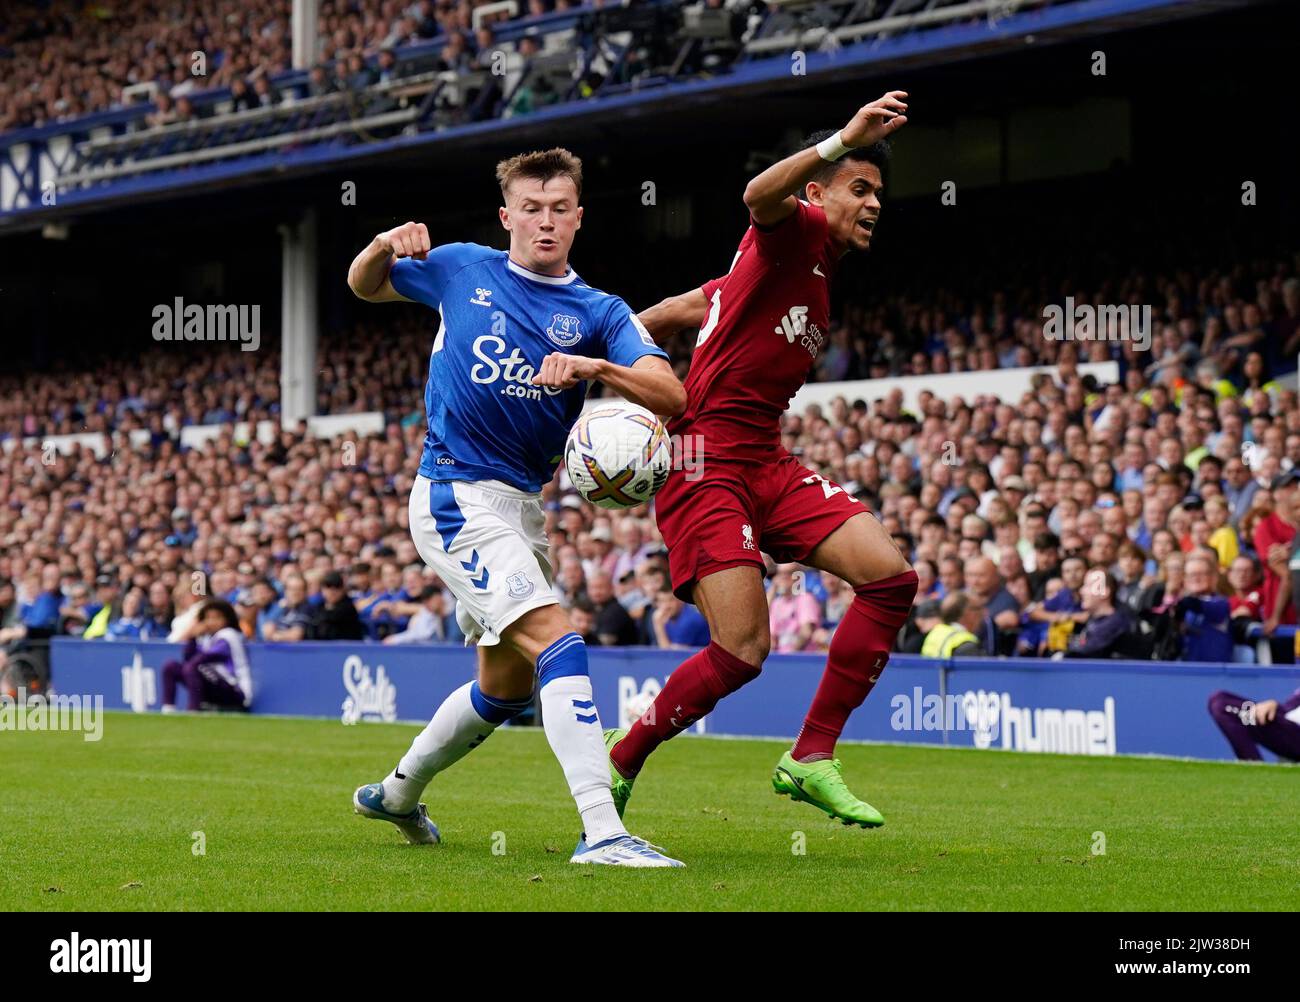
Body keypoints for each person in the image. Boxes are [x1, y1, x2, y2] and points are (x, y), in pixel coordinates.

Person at [344, 148, 686, 867]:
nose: (545, 221)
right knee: (561, 642)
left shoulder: (600, 312)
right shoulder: (463, 266)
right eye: (531, 208)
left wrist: (597, 368)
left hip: (521, 506)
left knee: (503, 687)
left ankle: (398, 794)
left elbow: (670, 396)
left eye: (560, 208)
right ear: (507, 217)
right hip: (453, 491)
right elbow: (365, 286)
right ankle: (604, 832)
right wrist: (382, 244)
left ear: (579, 217)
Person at [612, 91, 917, 829]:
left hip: (764, 461)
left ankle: (810, 756)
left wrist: (624, 331)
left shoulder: (808, 272)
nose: (874, 201)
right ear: (818, 192)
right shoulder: (795, 230)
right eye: (859, 187)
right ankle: (623, 753)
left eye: (880, 192)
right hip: (702, 459)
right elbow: (756, 194)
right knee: (744, 650)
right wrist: (842, 137)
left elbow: (700, 302)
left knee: (890, 578)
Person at [160, 600, 253, 713]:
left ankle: (193, 710)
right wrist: (193, 637)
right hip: (214, 688)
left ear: (227, 619)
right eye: (208, 618)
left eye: (217, 618)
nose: (211, 622)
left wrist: (193, 661)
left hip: (235, 691)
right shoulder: (207, 638)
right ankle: (168, 709)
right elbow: (188, 658)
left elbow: (206, 657)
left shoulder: (229, 635)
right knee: (171, 666)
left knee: (193, 666)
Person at [1207, 687, 1300, 762]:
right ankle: (1254, 767)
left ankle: (1255, 770)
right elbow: (1291, 709)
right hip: (1290, 731)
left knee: (1221, 703)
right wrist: (1275, 705)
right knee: (1220, 700)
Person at [1062, 569, 1133, 659]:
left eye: (1088, 586)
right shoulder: (1094, 620)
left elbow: (1085, 652)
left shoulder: (1116, 623)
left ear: (1105, 592)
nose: (1082, 591)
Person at [919, 592, 985, 658]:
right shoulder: (966, 646)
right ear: (967, 612)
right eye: (978, 608)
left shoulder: (935, 633)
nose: (983, 613)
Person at [314, 571, 366, 640]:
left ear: (342, 589)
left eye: (337, 587)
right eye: (328, 587)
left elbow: (332, 617)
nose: (332, 591)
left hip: (347, 648)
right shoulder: (319, 606)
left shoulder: (348, 606)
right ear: (322, 590)